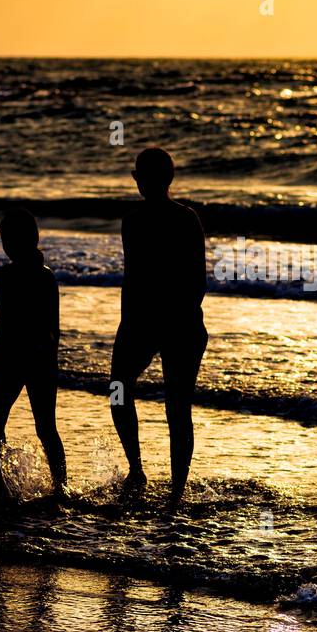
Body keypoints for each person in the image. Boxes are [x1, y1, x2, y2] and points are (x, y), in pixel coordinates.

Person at [109, 147, 207, 506]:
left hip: (165, 321)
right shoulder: (178, 218)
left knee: (164, 403)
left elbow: (138, 279)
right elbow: (195, 281)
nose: (141, 182)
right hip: (161, 321)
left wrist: (137, 324)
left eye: (143, 176)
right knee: (160, 402)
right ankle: (150, 477)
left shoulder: (145, 220)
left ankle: (164, 484)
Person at [0, 208, 66, 502]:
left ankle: (0, 483)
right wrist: (51, 362)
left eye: (6, 239)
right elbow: (53, 328)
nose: (4, 246)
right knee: (46, 427)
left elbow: (4, 324)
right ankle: (61, 487)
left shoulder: (5, 277)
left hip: (12, 357)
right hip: (42, 358)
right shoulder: (47, 277)